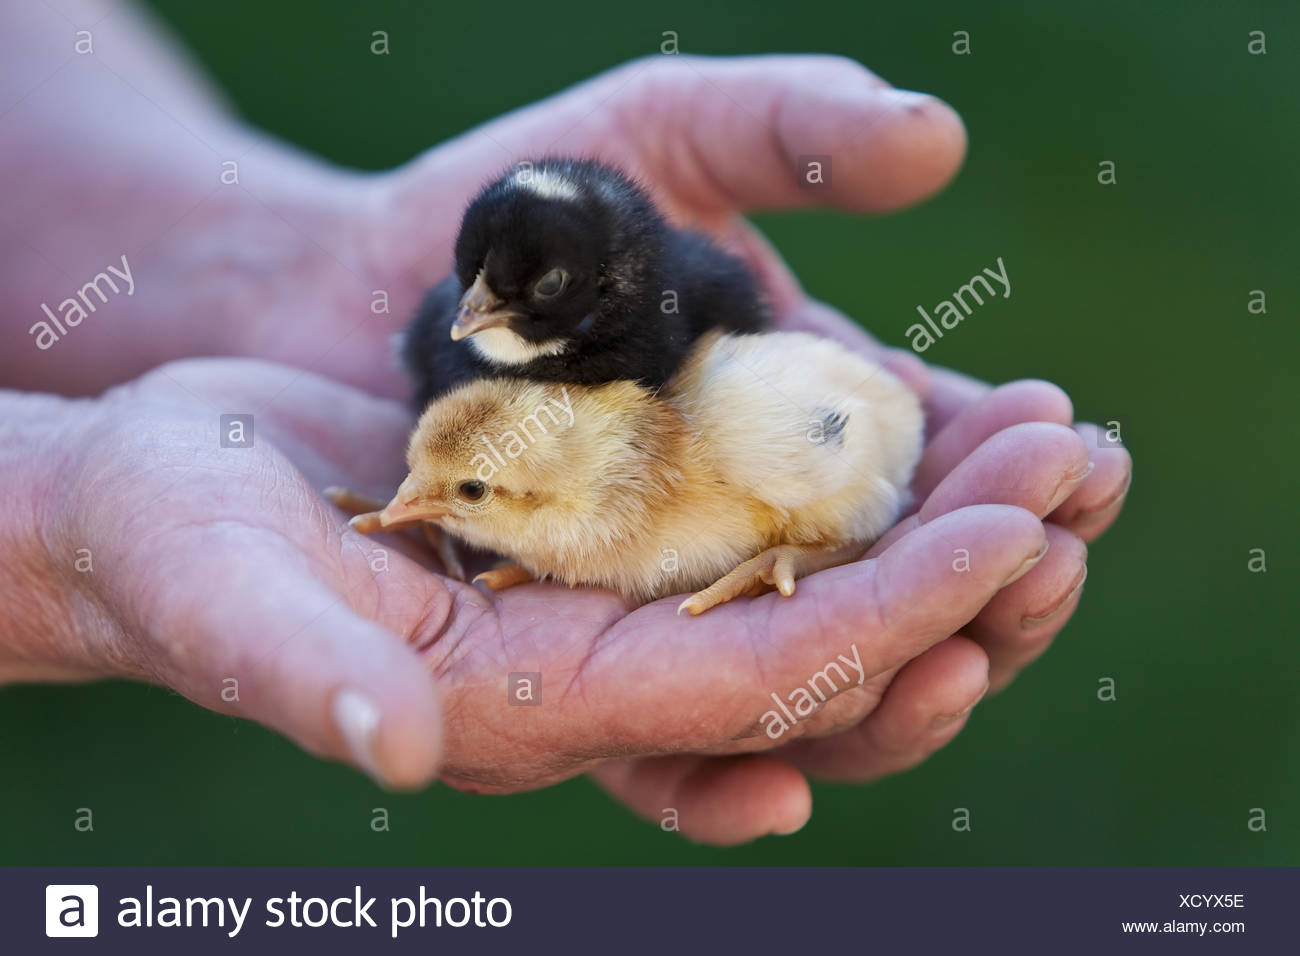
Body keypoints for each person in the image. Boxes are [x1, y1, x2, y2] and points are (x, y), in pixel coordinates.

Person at [0, 3, 1129, 845]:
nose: (473, 309)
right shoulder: (457, 331)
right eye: (471, 278)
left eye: (514, 292)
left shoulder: (690, 328)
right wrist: (53, 503)